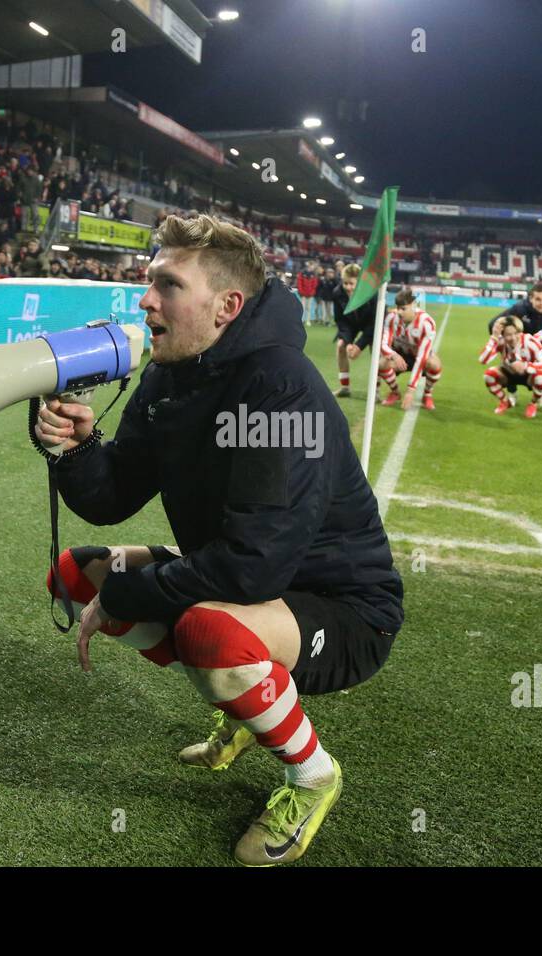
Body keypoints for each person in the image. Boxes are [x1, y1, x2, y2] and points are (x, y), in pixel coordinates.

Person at [34, 214, 403, 867]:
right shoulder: (172, 374)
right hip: (247, 577)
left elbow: (252, 570)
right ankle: (243, 711)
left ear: (227, 306)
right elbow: (111, 498)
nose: (145, 299)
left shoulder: (279, 390)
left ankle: (312, 775)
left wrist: (130, 593)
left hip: (341, 609)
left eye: (167, 285)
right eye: (150, 281)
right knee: (75, 575)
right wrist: (77, 450)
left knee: (209, 631)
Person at [377, 288, 442, 410]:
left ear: (413, 306)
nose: (399, 312)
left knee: (434, 364)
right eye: (398, 308)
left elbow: (422, 357)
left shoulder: (426, 323)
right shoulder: (391, 318)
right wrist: (394, 355)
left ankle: (427, 394)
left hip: (418, 356)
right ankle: (395, 392)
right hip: (399, 357)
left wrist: (411, 390)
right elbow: (383, 345)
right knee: (380, 364)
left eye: (403, 308)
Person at [478, 315, 542, 417]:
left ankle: (533, 403)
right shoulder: (500, 341)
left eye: (516, 333)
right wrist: (494, 337)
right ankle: (505, 402)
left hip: (528, 376)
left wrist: (526, 366)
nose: (513, 338)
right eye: (508, 334)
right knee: (488, 375)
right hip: (509, 374)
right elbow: (483, 360)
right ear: (502, 334)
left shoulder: (530, 341)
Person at [329, 263, 379, 397]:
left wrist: (359, 345)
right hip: (350, 324)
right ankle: (345, 387)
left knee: (376, 348)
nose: (348, 287)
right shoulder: (337, 293)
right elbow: (340, 320)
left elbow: (375, 323)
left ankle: (376, 390)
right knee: (340, 346)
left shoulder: (372, 293)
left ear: (359, 281)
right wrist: (348, 341)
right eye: (345, 283)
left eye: (352, 284)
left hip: (370, 324)